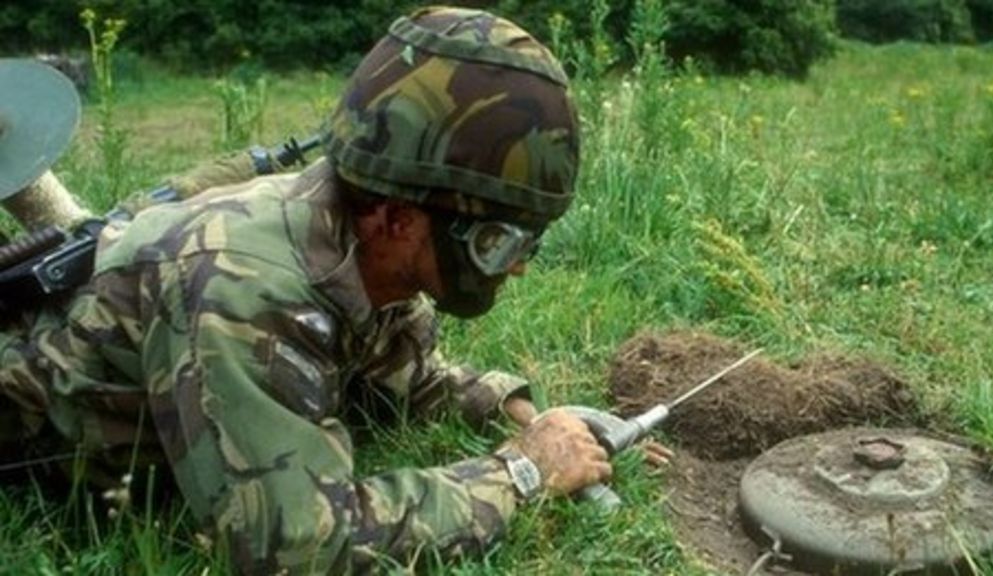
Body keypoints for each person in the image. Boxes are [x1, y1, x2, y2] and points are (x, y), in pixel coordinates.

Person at [0, 6, 660, 574]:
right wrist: (519, 474)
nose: (517, 268)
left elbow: (398, 373)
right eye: (499, 244)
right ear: (398, 218)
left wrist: (521, 415)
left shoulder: (354, 229)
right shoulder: (244, 291)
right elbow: (290, 544)